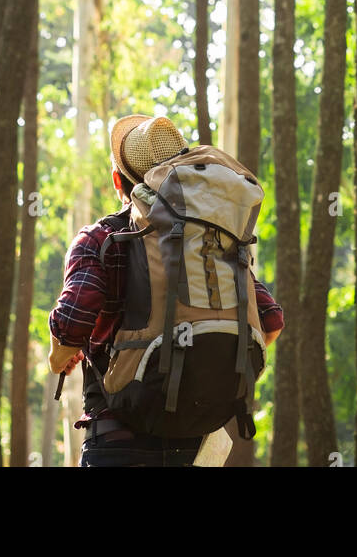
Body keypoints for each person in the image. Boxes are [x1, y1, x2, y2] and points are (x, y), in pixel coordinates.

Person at [48, 113, 284, 467]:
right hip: (193, 445)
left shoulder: (101, 238)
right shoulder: (212, 240)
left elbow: (73, 321)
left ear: (118, 180)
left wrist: (58, 358)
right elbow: (271, 321)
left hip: (118, 440)